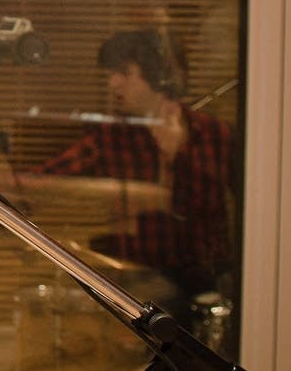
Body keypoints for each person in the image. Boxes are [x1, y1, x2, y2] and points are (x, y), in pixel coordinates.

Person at [21, 28, 236, 305]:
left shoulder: (217, 135)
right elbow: (47, 179)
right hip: (139, 293)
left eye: (123, 72)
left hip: (209, 289)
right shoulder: (111, 137)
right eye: (111, 74)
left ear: (157, 72)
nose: (114, 84)